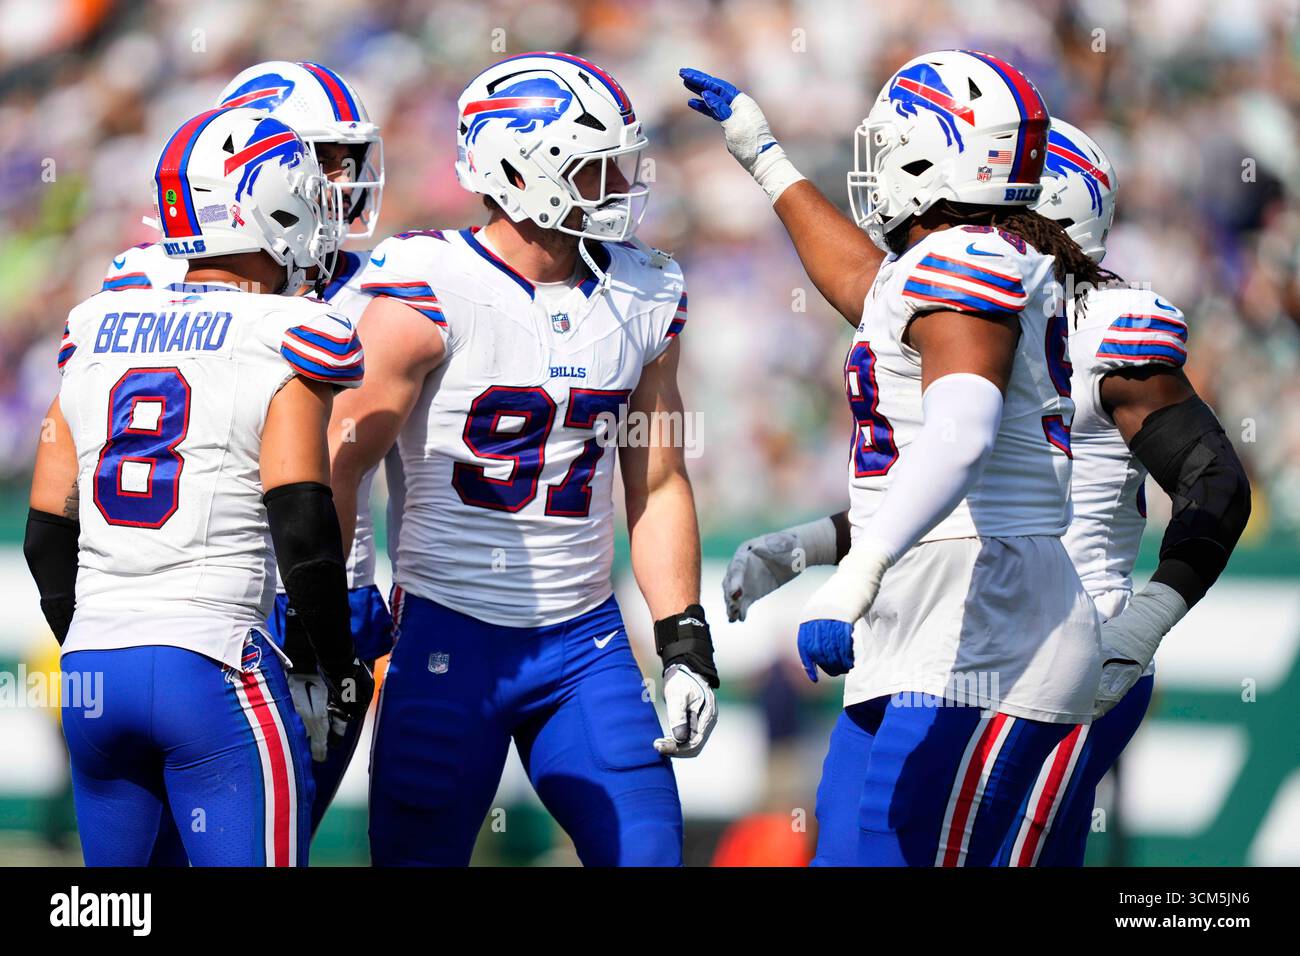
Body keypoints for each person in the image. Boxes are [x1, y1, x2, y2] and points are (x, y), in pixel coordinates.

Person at [720, 120, 1251, 866]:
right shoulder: (958, 302)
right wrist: (805, 545)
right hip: (938, 632)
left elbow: (1216, 483)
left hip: (1044, 639)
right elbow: (945, 487)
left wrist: (1145, 625)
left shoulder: (1102, 320)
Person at [682, 52, 1107, 866]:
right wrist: (761, 153)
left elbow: (961, 436)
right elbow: (863, 286)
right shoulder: (939, 269)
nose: (873, 167)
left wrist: (854, 578)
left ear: (935, 153)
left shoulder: (968, 261)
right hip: (933, 620)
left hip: (985, 624)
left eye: (891, 145)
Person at [334, 52, 717, 866]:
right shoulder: (428, 284)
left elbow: (656, 476)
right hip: (446, 633)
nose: (618, 183)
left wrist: (683, 638)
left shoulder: (646, 292)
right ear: (523, 168)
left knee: (650, 853)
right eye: (594, 165)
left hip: (587, 643)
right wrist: (333, 602)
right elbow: (337, 456)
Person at [24, 106, 371, 866]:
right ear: (268, 206)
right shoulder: (288, 332)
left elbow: (47, 530)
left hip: (93, 670)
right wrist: (332, 663)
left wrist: (101, 639)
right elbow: (302, 521)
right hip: (214, 664)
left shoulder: (96, 325)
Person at [100, 60, 390, 832]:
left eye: (345, 157)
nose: (343, 177)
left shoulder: (393, 280)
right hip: (213, 610)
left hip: (326, 597)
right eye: (319, 157)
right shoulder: (150, 279)